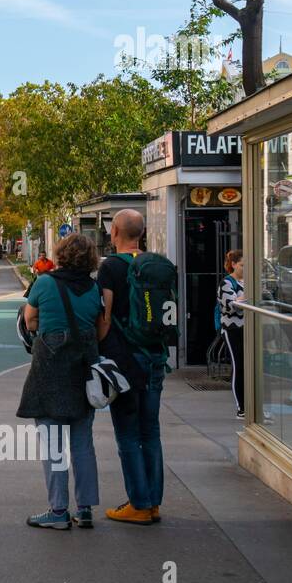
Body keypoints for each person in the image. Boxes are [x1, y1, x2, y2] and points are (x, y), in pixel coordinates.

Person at [16, 233, 105, 530]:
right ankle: (86, 508)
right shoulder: (95, 289)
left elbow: (30, 320)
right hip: (83, 371)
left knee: (53, 445)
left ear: (61, 254)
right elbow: (100, 329)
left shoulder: (44, 283)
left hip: (49, 370)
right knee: (83, 443)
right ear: (91, 258)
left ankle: (57, 511)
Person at [97, 208, 167, 525]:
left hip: (126, 361)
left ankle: (138, 503)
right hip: (156, 357)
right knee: (150, 431)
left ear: (114, 232)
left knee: (127, 433)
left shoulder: (111, 267)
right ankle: (152, 502)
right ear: (142, 233)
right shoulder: (152, 264)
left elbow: (106, 317)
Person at [219, 250, 246, 418]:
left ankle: (251, 405)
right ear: (234, 264)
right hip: (233, 329)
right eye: (242, 265)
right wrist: (244, 298)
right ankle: (241, 406)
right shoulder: (227, 283)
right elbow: (230, 305)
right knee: (239, 366)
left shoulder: (249, 281)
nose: (245, 268)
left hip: (248, 327)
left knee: (251, 367)